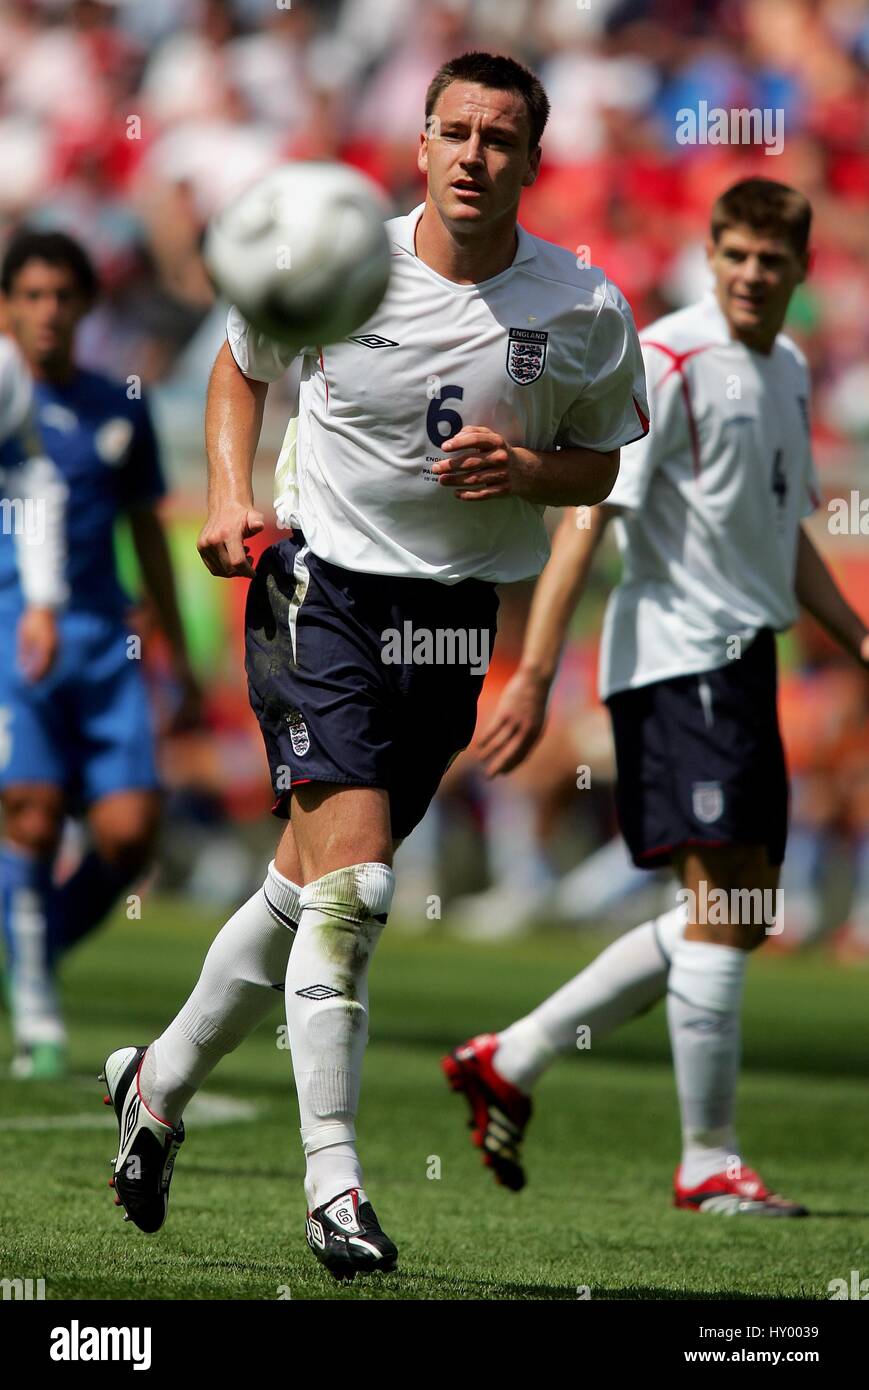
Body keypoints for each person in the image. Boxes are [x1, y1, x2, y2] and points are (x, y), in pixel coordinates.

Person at [99, 50, 648, 1279]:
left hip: (450, 627)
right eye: (452, 131)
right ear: (417, 146)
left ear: (531, 159)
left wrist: (526, 470)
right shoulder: (341, 259)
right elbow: (243, 365)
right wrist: (234, 494)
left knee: (305, 890)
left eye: (498, 138)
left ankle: (155, 1081)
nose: (471, 155)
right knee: (356, 896)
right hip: (321, 592)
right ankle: (333, 1185)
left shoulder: (581, 308)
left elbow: (601, 465)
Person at [443, 177, 869, 1217]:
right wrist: (537, 671)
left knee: (740, 910)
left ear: (799, 270)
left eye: (771, 259)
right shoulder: (670, 358)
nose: (751, 273)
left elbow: (789, 533)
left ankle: (515, 1054)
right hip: (676, 658)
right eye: (734, 254)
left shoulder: (787, 368)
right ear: (709, 254)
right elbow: (587, 518)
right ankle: (705, 1158)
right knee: (726, 904)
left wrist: (858, 639)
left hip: (741, 661)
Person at [0, 231, 199, 1079]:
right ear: (9, 307)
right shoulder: (5, 397)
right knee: (34, 813)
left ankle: (28, 944)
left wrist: (177, 649)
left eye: (63, 296)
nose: (48, 312)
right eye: (32, 296)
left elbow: (146, 524)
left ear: (85, 307)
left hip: (107, 636)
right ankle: (37, 999)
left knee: (129, 834)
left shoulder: (120, 403)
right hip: (15, 630)